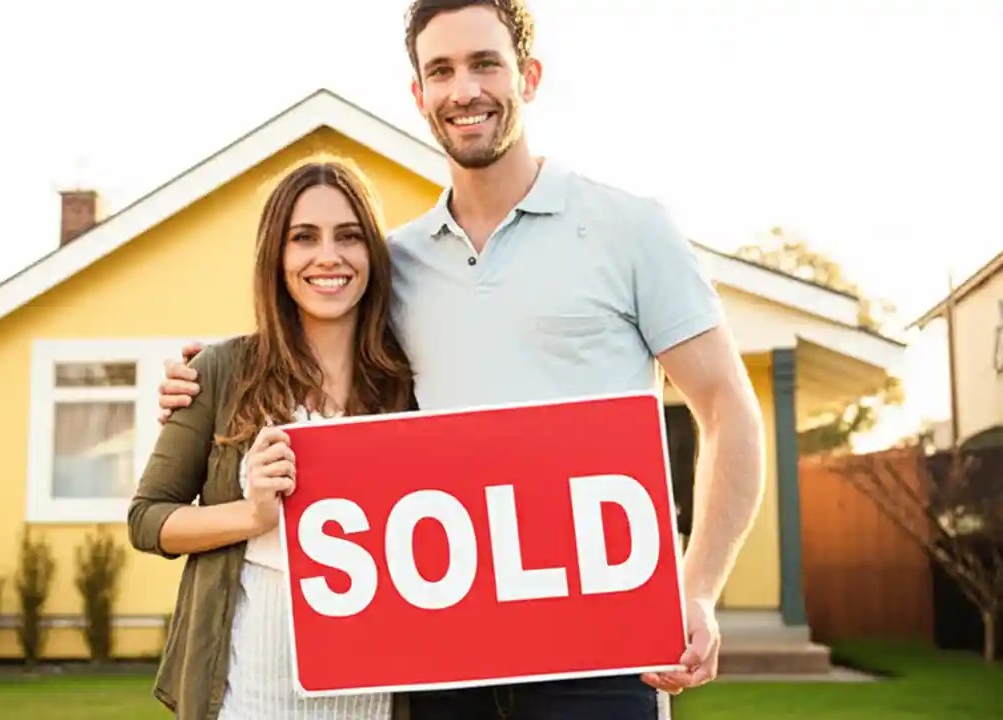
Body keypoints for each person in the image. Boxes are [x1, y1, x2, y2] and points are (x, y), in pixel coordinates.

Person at [155, 1, 767, 718]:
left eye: (485, 64)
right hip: (448, 655)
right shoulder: (398, 263)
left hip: (603, 642)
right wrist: (206, 373)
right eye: (440, 70)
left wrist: (695, 590)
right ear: (419, 96)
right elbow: (311, 330)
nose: (463, 89)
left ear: (529, 77)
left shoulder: (630, 229)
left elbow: (728, 408)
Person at [128, 157, 417, 720]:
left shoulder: (410, 383)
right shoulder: (219, 371)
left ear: (372, 257)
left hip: (376, 695)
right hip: (250, 690)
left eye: (349, 236)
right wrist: (252, 515)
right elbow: (147, 519)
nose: (327, 256)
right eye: (303, 237)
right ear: (277, 258)